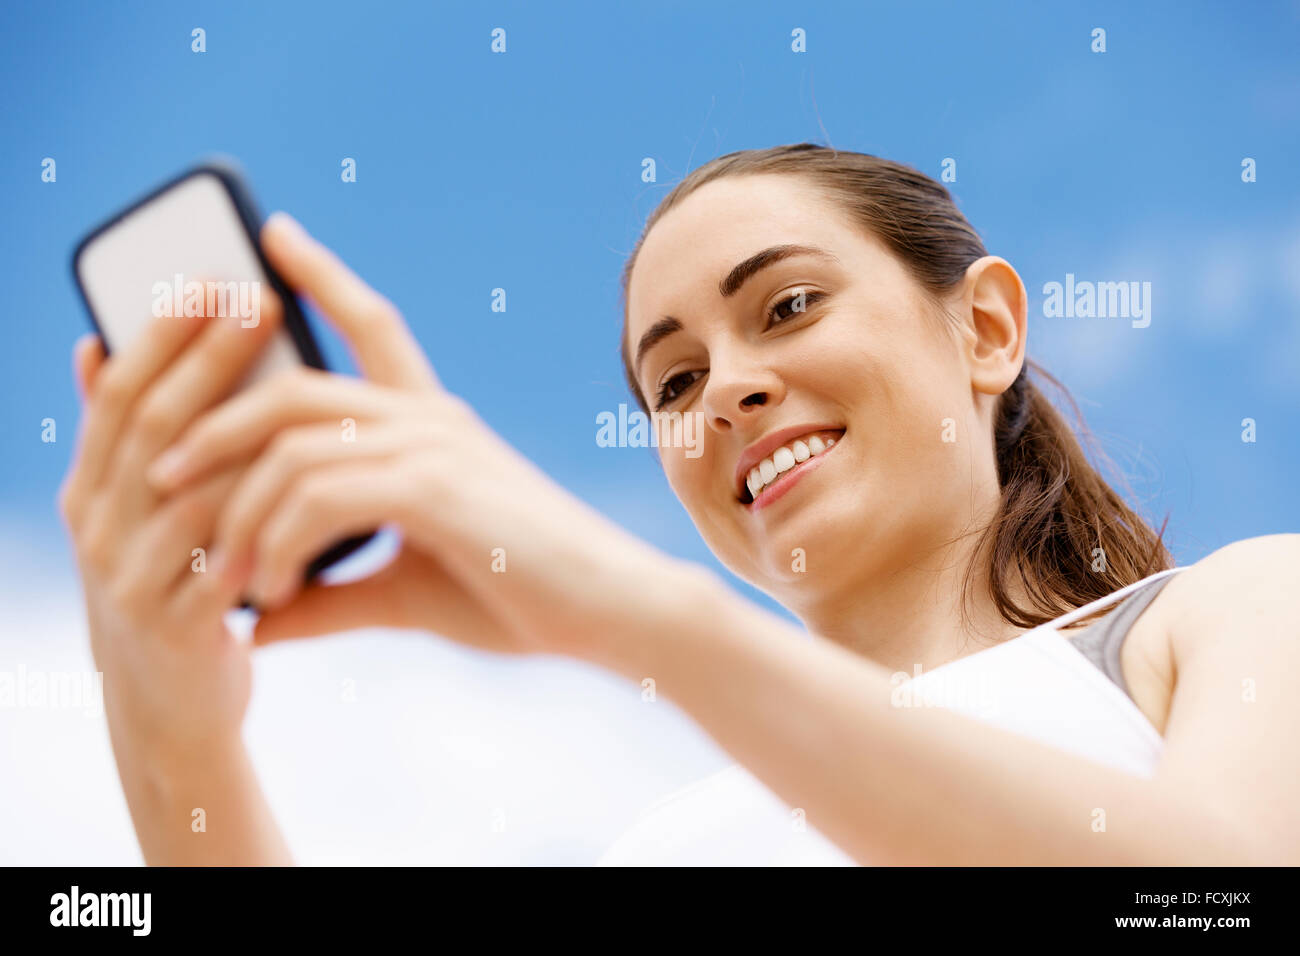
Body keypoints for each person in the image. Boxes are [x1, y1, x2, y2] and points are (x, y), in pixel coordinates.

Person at [58, 144, 1299, 866]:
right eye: (676, 379)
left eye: (789, 306)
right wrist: (173, 733)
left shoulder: (1233, 609)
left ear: (982, 327)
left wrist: (636, 614)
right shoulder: (667, 839)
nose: (731, 390)